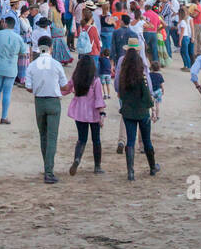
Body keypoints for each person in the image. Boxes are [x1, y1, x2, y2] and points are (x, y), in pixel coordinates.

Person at [24, 35, 72, 184]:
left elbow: (28, 87)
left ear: (39, 48)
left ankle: (47, 167)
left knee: (43, 136)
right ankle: (49, 170)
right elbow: (64, 85)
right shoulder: (56, 64)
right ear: (50, 48)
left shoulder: (32, 65)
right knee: (51, 137)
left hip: (39, 101)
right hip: (53, 101)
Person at [116, 39, 159, 180]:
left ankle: (130, 172)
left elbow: (118, 88)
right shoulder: (141, 71)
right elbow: (147, 93)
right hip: (141, 110)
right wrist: (152, 108)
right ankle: (152, 167)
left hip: (128, 109)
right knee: (146, 140)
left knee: (130, 141)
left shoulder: (123, 69)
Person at [66, 52, 106, 175]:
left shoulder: (76, 78)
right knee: (96, 140)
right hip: (93, 114)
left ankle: (77, 159)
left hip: (79, 113)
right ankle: (97, 166)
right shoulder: (96, 81)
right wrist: (102, 115)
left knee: (81, 139)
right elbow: (99, 99)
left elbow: (66, 88)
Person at [0, 16, 28, 125]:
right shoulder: (18, 38)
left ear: (5, 24)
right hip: (11, 68)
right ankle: (4, 117)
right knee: (7, 92)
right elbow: (23, 52)